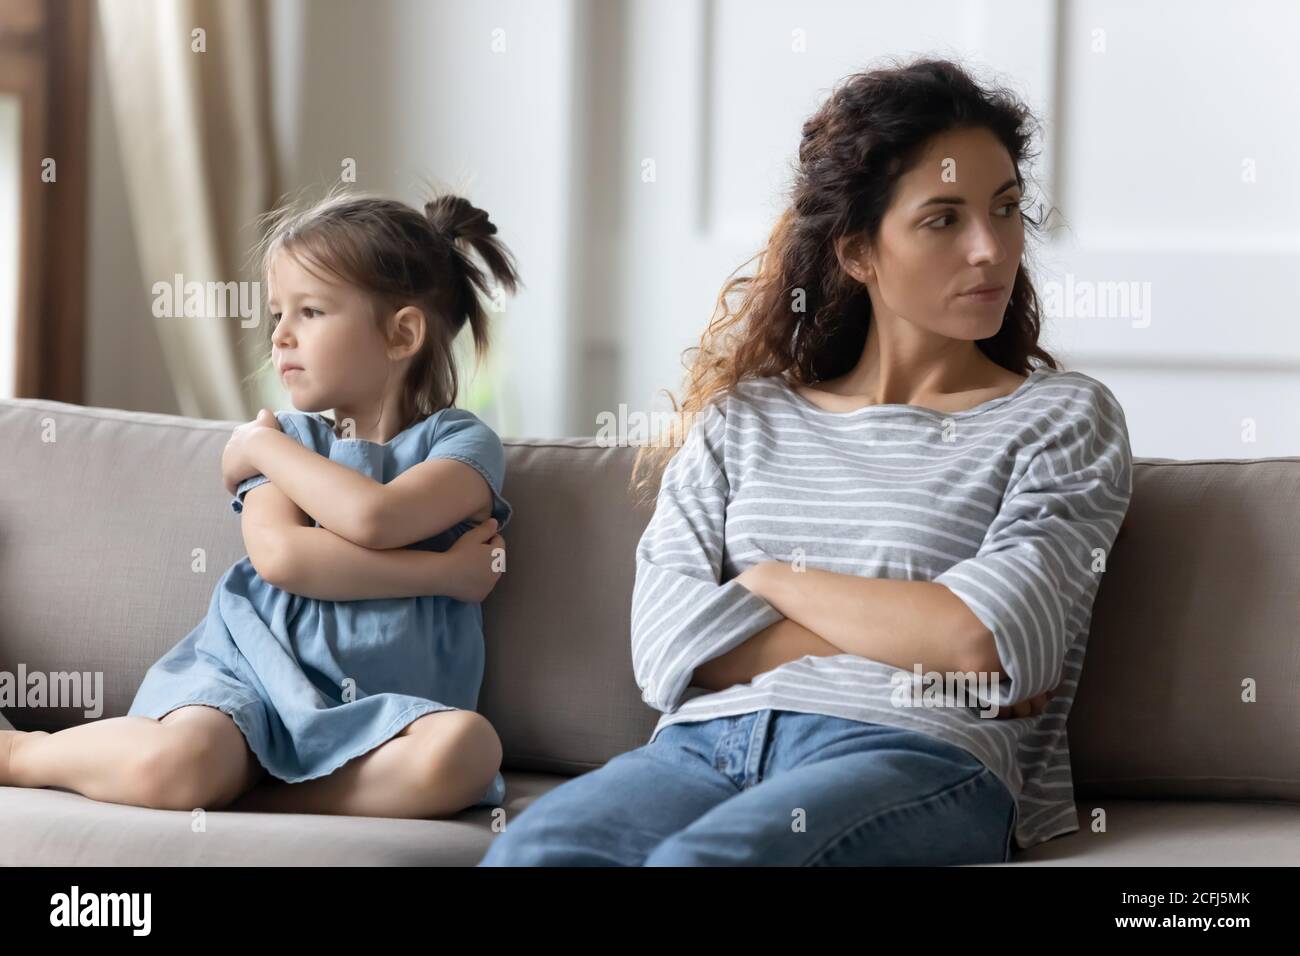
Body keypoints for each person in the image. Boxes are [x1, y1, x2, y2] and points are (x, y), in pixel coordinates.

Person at [479, 57, 1133, 866]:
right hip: (697, 750)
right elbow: (665, 647)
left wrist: (768, 583)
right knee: (529, 856)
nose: (990, 249)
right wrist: (908, 633)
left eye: (1005, 210)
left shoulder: (1061, 418)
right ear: (859, 252)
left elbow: (987, 645)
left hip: (916, 754)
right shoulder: (741, 420)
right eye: (944, 219)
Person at [0, 189, 520, 820]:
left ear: (401, 333)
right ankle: (19, 752)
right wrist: (439, 573)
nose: (280, 336)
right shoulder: (290, 441)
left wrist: (256, 448)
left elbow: (376, 517)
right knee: (178, 766)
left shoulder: (462, 443)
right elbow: (282, 557)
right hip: (248, 684)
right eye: (277, 314)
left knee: (470, 748)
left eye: (310, 311)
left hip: (386, 714)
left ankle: (265, 793)